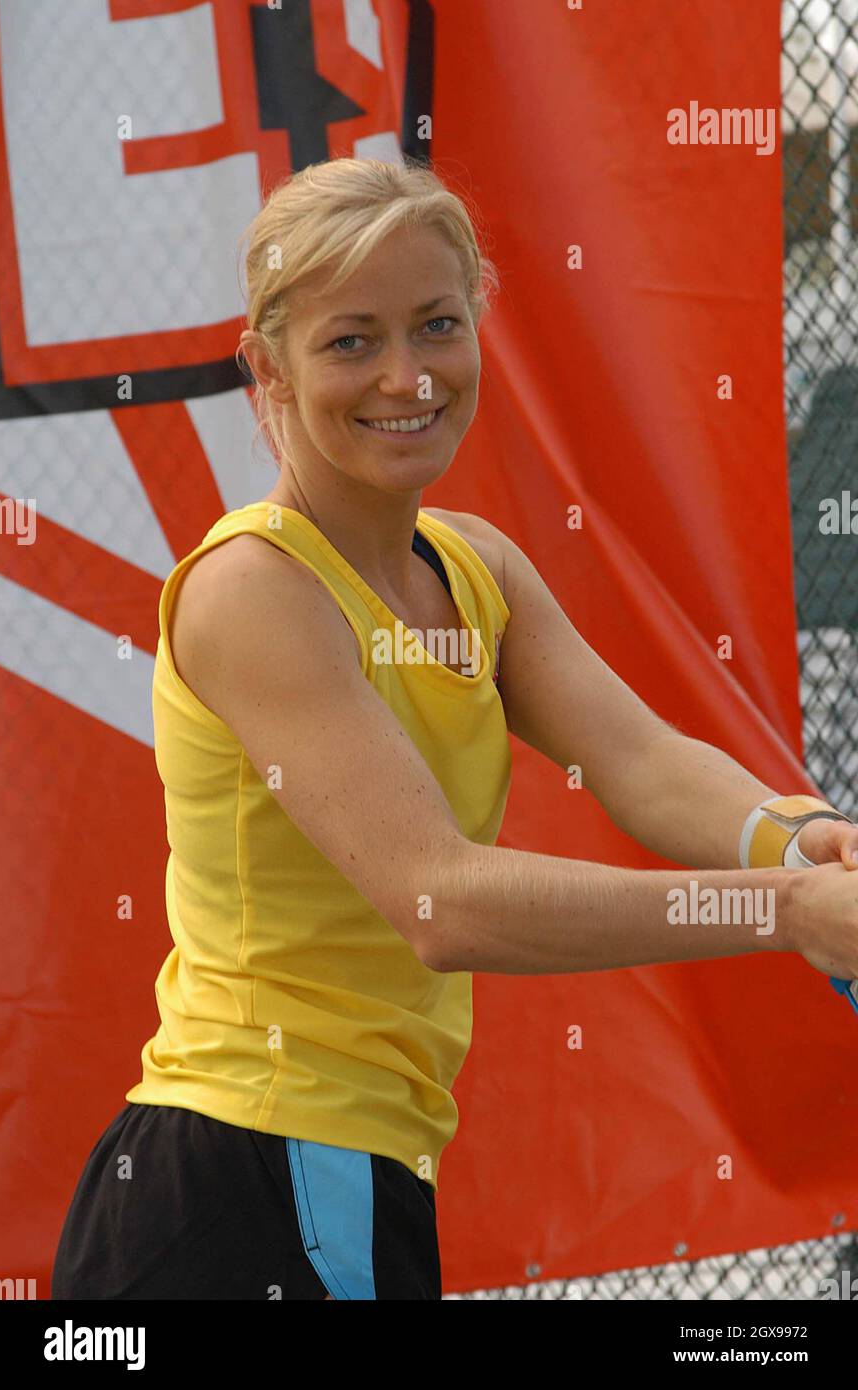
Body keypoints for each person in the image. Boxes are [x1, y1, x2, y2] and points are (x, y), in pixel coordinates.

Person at [51, 157, 858, 1302]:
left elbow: (641, 761)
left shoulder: (479, 568)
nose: (405, 375)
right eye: (350, 341)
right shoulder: (253, 590)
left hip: (341, 1171)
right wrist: (787, 914)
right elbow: (441, 899)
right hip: (248, 1175)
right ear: (263, 367)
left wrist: (804, 840)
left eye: (436, 325)